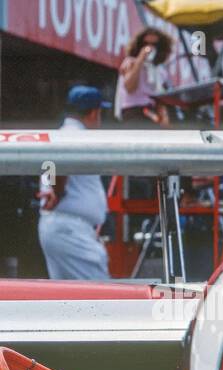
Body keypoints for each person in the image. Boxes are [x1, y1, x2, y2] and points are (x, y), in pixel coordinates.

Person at [38, 87, 110, 281]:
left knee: (69, 303)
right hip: (69, 228)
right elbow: (59, 163)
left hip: (63, 226)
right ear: (94, 112)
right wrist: (58, 191)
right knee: (102, 299)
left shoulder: (62, 133)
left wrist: (54, 188)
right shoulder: (74, 135)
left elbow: (49, 165)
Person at [116, 26, 172, 127]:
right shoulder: (130, 62)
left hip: (152, 112)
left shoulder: (160, 70)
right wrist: (141, 59)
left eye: (154, 44)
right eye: (145, 44)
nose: (150, 47)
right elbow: (129, 87)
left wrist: (164, 117)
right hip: (133, 112)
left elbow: (160, 97)